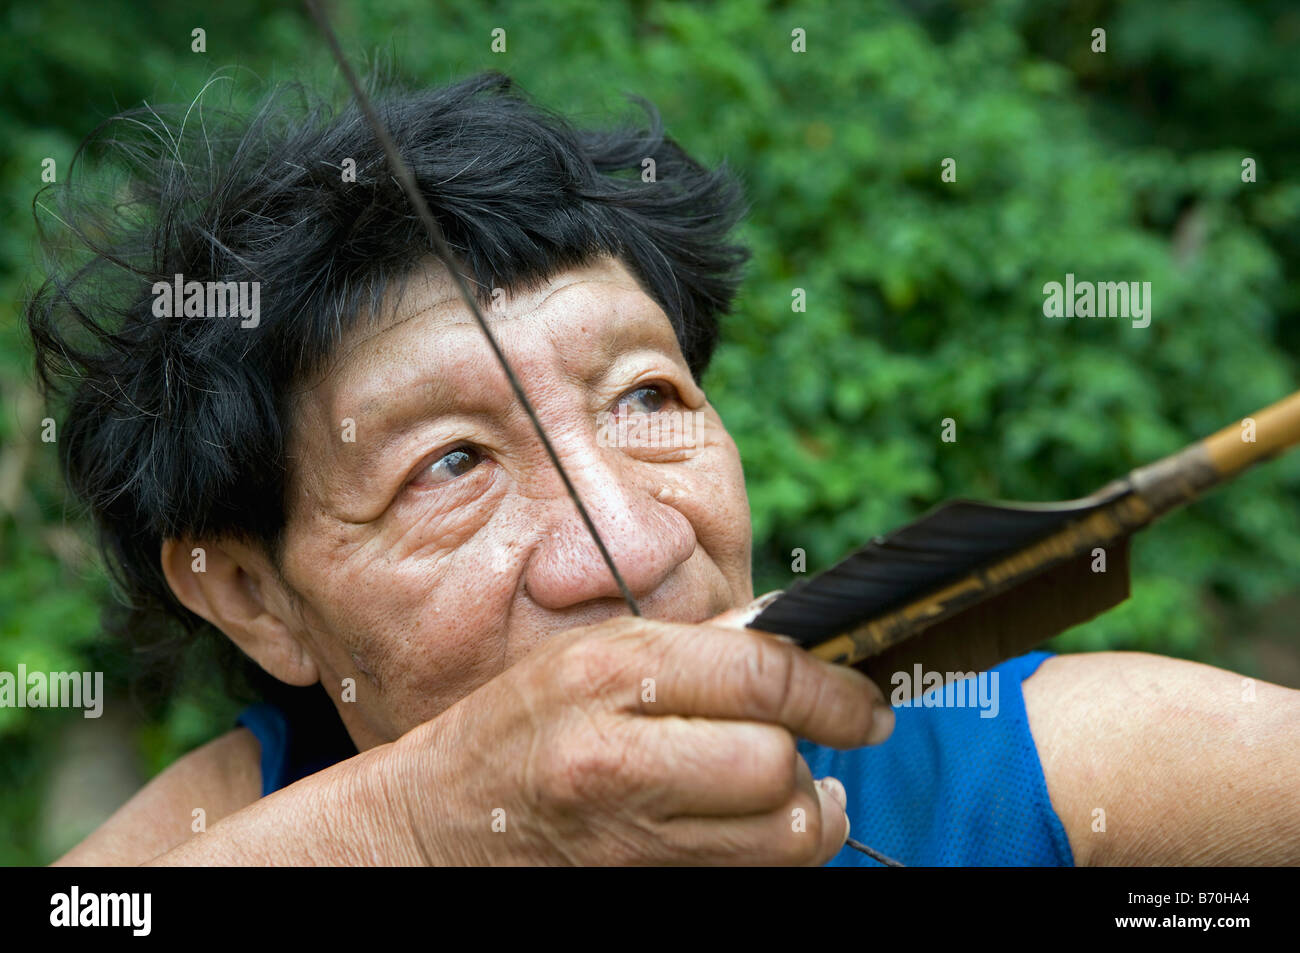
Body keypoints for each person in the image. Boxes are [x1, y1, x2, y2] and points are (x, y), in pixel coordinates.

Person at [27, 72, 1299, 866]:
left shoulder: (1039, 771)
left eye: (646, 397)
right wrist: (427, 826)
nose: (634, 545)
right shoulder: (241, 818)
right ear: (251, 593)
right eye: (451, 463)